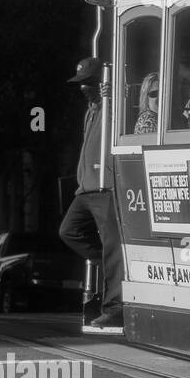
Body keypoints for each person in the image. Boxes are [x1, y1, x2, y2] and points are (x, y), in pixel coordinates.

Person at [58, 57, 125, 328]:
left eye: (89, 83)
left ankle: (115, 308)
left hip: (105, 187)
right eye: (81, 84)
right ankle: (114, 266)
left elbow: (123, 120)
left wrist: (116, 96)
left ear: (102, 83)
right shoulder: (91, 109)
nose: (84, 88)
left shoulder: (113, 105)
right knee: (68, 231)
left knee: (112, 247)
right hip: (85, 189)